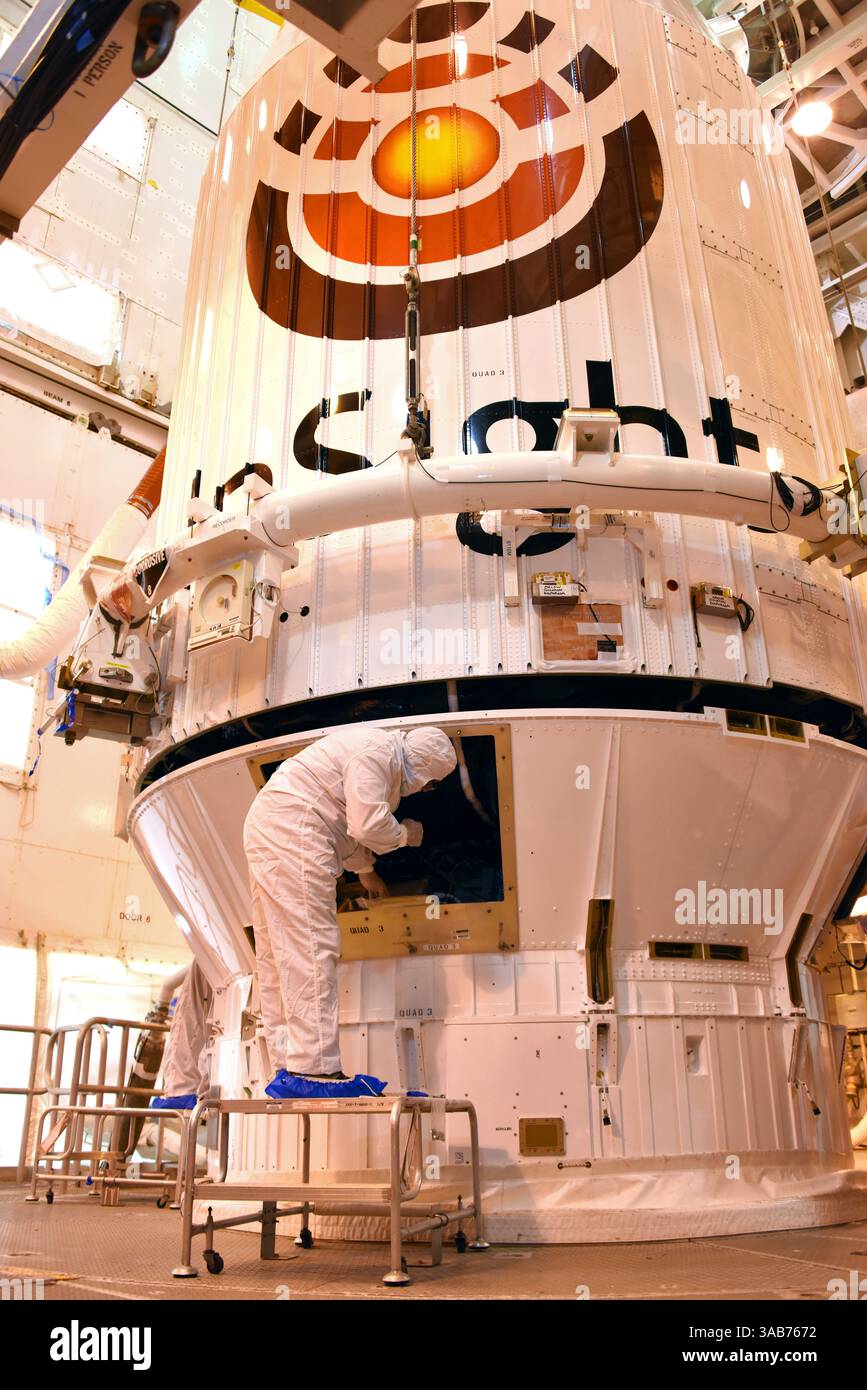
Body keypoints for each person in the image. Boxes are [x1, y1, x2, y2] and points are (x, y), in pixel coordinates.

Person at [243, 724, 457, 1099]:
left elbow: (345, 823)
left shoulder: (374, 752)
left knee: (277, 956)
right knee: (311, 945)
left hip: (271, 825)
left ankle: (286, 1065)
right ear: (425, 768)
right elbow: (368, 823)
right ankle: (315, 1070)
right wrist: (408, 834)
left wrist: (367, 872)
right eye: (430, 783)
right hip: (295, 830)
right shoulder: (380, 754)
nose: (424, 790)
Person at [151, 960, 212, 1110]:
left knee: (191, 1016)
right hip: (193, 1087)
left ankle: (180, 1089)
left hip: (187, 1088)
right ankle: (181, 1088)